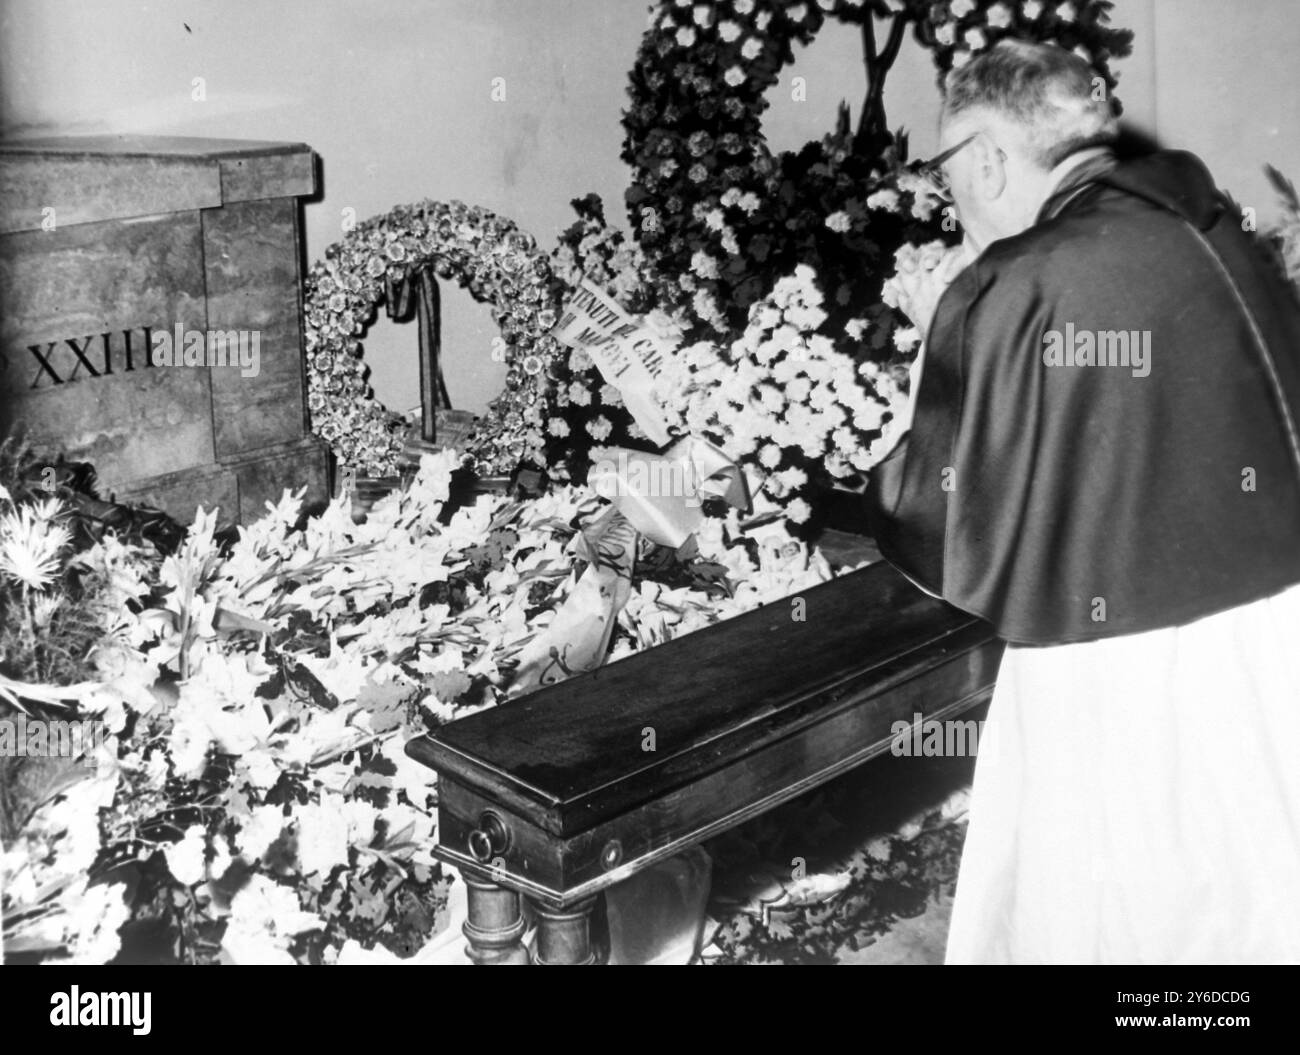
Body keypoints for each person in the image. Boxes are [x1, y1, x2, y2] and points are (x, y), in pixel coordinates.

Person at [865, 39, 1300, 964]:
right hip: (1268, 625)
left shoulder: (1024, 278)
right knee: (1249, 884)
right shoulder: (1209, 224)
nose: (952, 199)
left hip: (1119, 657)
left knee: (1123, 906)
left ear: (985, 156)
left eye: (947, 171)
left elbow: (937, 513)